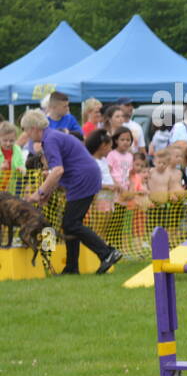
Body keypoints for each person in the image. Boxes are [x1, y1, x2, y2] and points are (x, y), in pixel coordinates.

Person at [22, 112, 122, 274]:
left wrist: (39, 192)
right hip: (84, 177)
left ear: (34, 128)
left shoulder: (50, 139)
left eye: (26, 130)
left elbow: (57, 170)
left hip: (82, 180)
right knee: (69, 226)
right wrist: (46, 193)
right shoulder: (52, 137)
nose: (26, 135)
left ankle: (107, 252)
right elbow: (58, 171)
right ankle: (71, 267)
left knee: (71, 223)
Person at [0, 122, 27, 193]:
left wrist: (22, 169)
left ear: (15, 138)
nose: (8, 143)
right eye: (5, 140)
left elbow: (21, 164)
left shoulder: (17, 149)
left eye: (11, 141)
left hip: (12, 187)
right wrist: (1, 168)